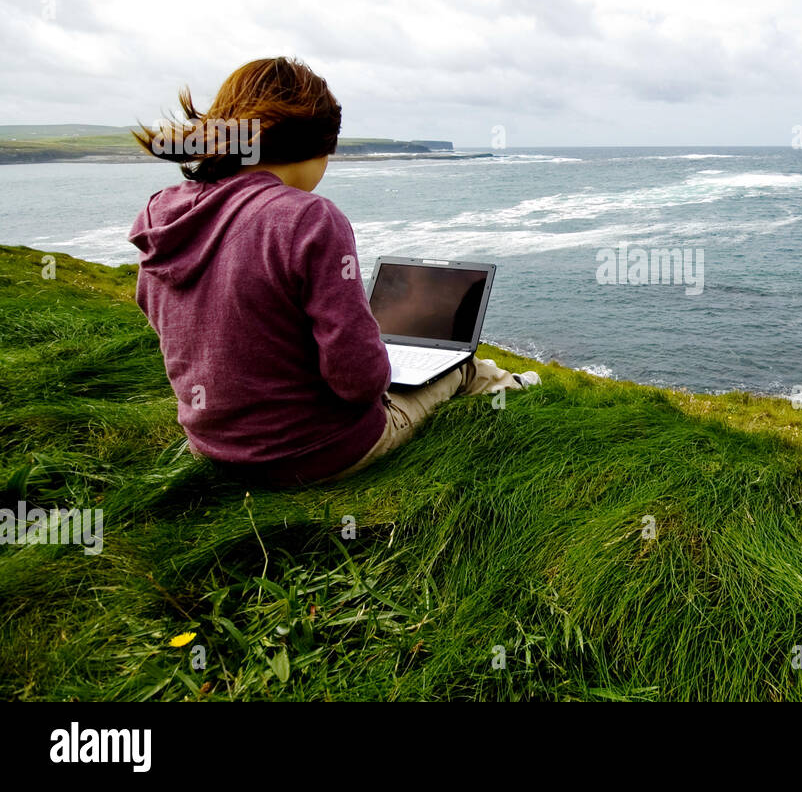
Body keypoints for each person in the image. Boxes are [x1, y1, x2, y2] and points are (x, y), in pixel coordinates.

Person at [127, 57, 536, 487]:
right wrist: (376, 357)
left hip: (215, 447)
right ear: (313, 144)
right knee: (460, 368)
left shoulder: (164, 215)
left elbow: (166, 315)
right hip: (318, 452)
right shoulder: (307, 218)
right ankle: (522, 392)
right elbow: (359, 383)